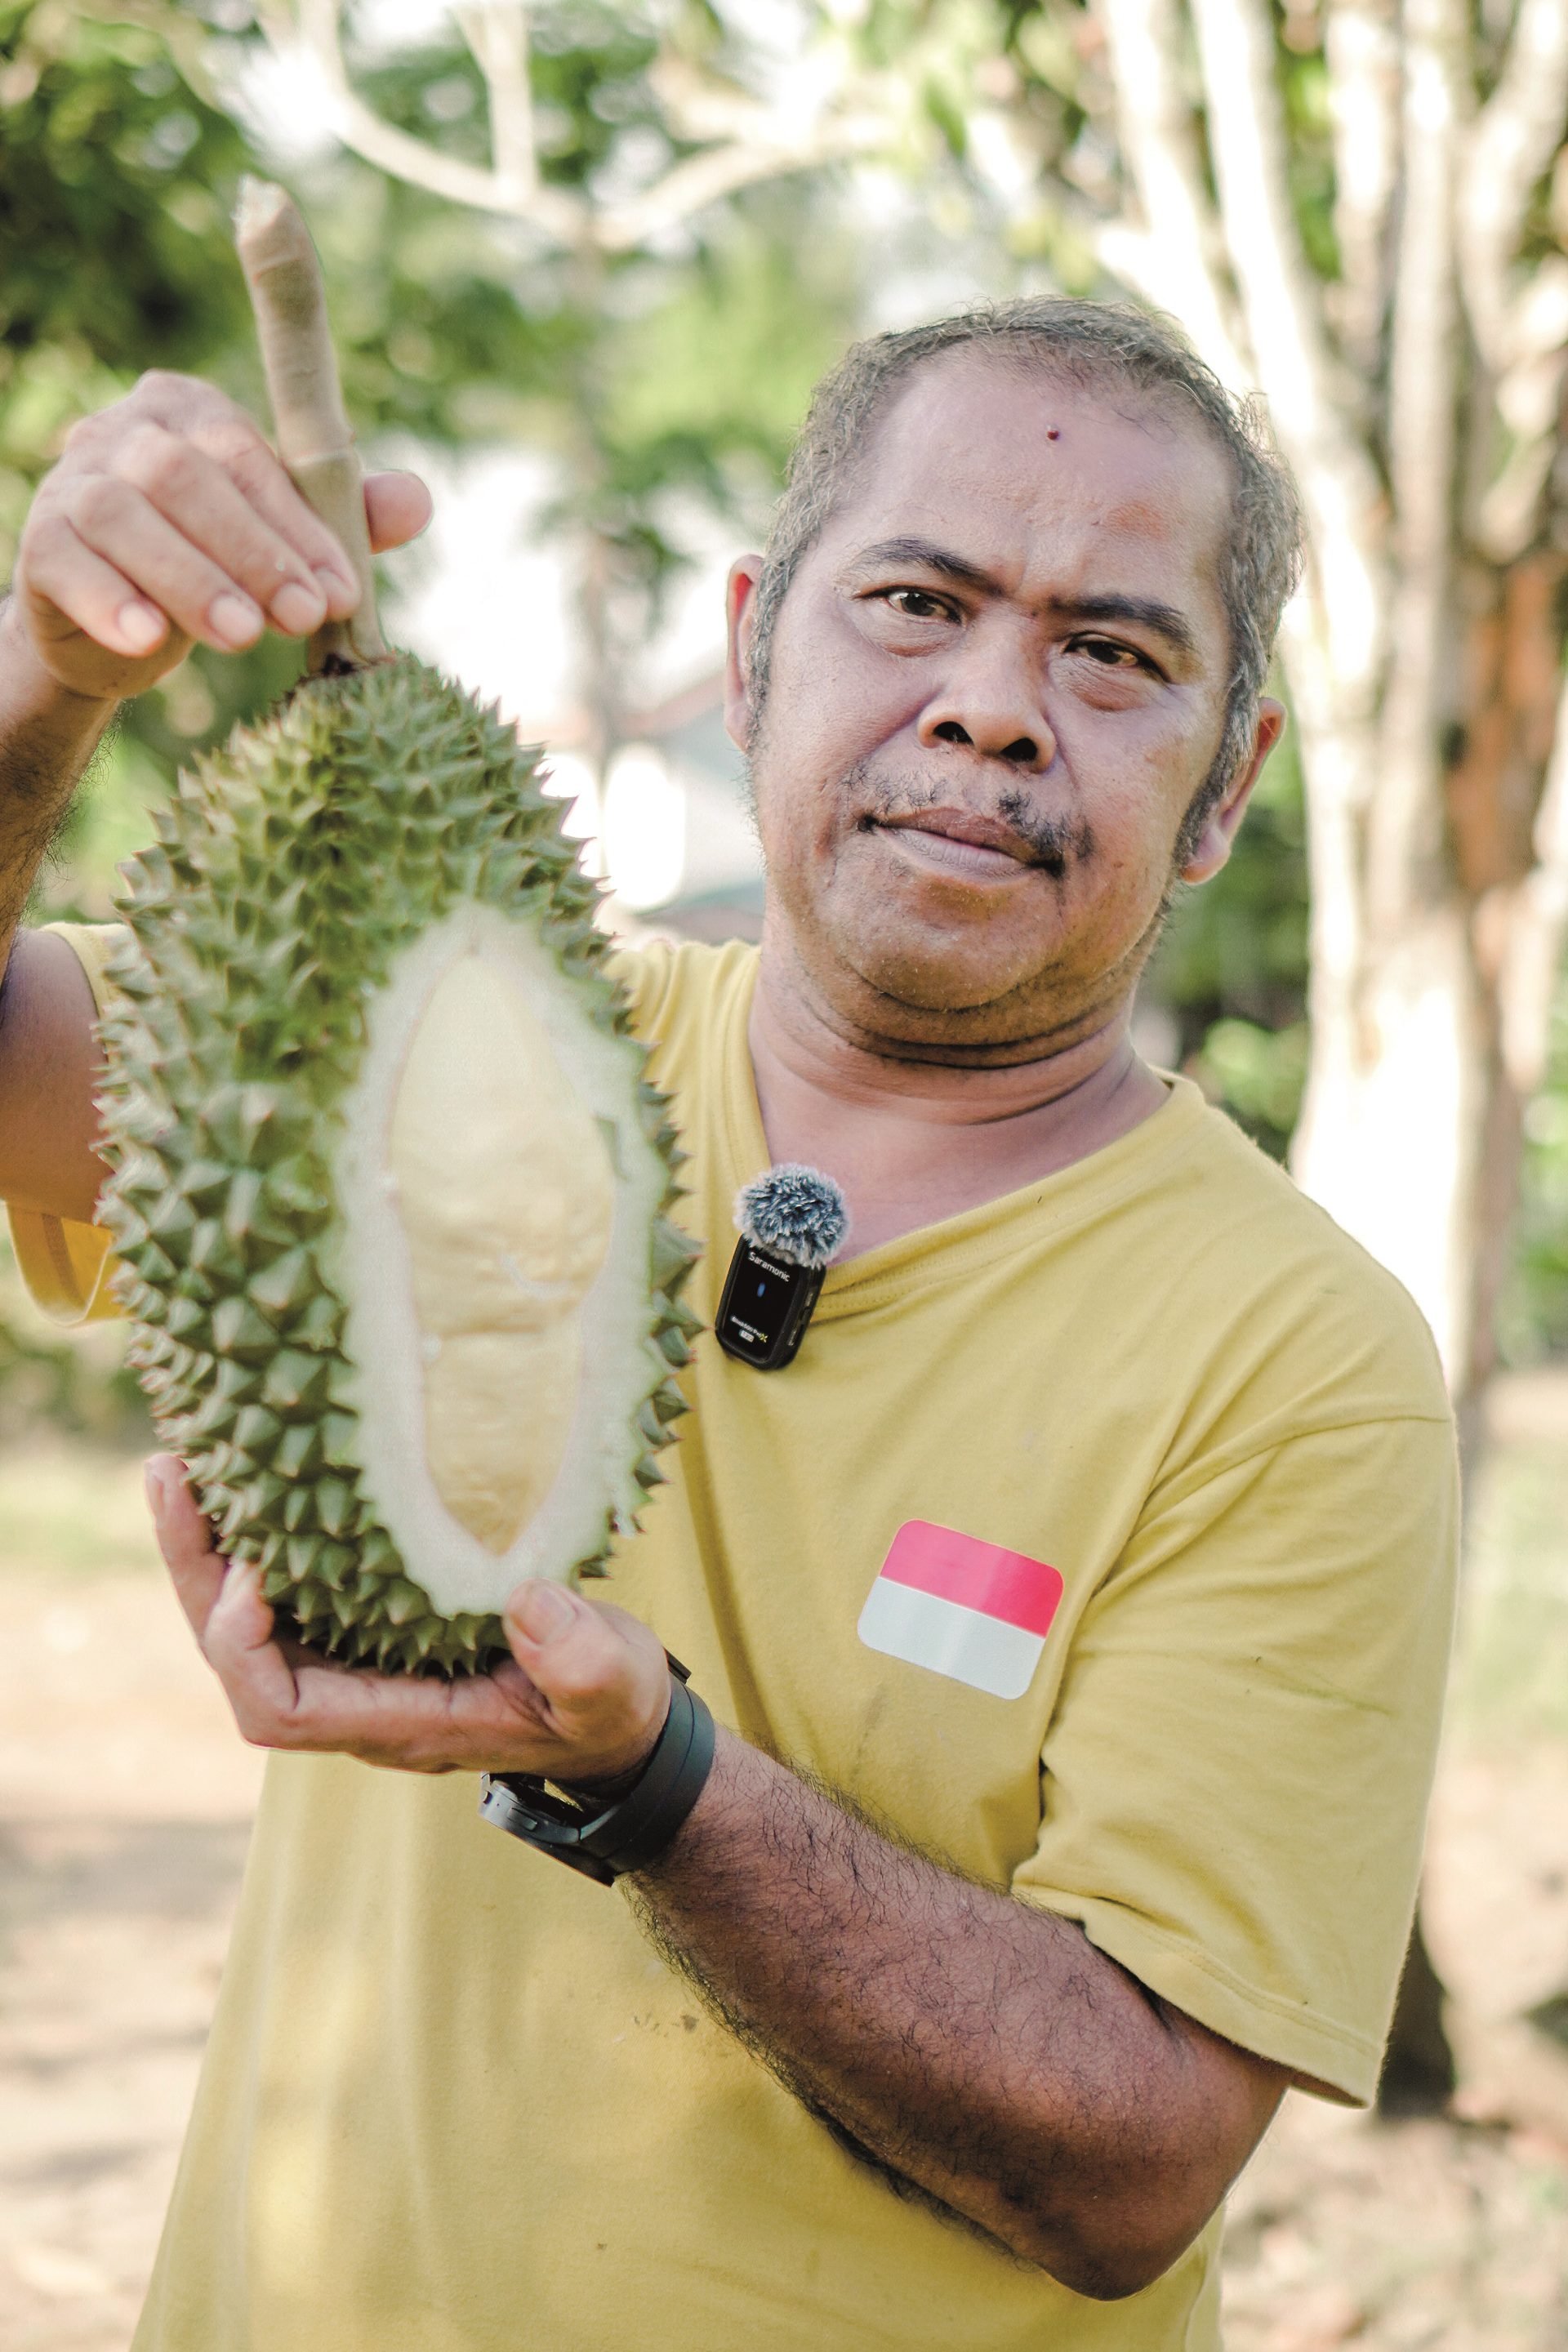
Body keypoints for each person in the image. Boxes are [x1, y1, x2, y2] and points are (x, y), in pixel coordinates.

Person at [0, 302, 1457, 2351]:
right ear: (760, 645)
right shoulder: (415, 1036)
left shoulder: (1298, 1363)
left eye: (1113, 654)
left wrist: (652, 1778)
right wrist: (45, 679)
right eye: (918, 601)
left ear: (1226, 788)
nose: (992, 708)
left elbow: (1131, 2158)